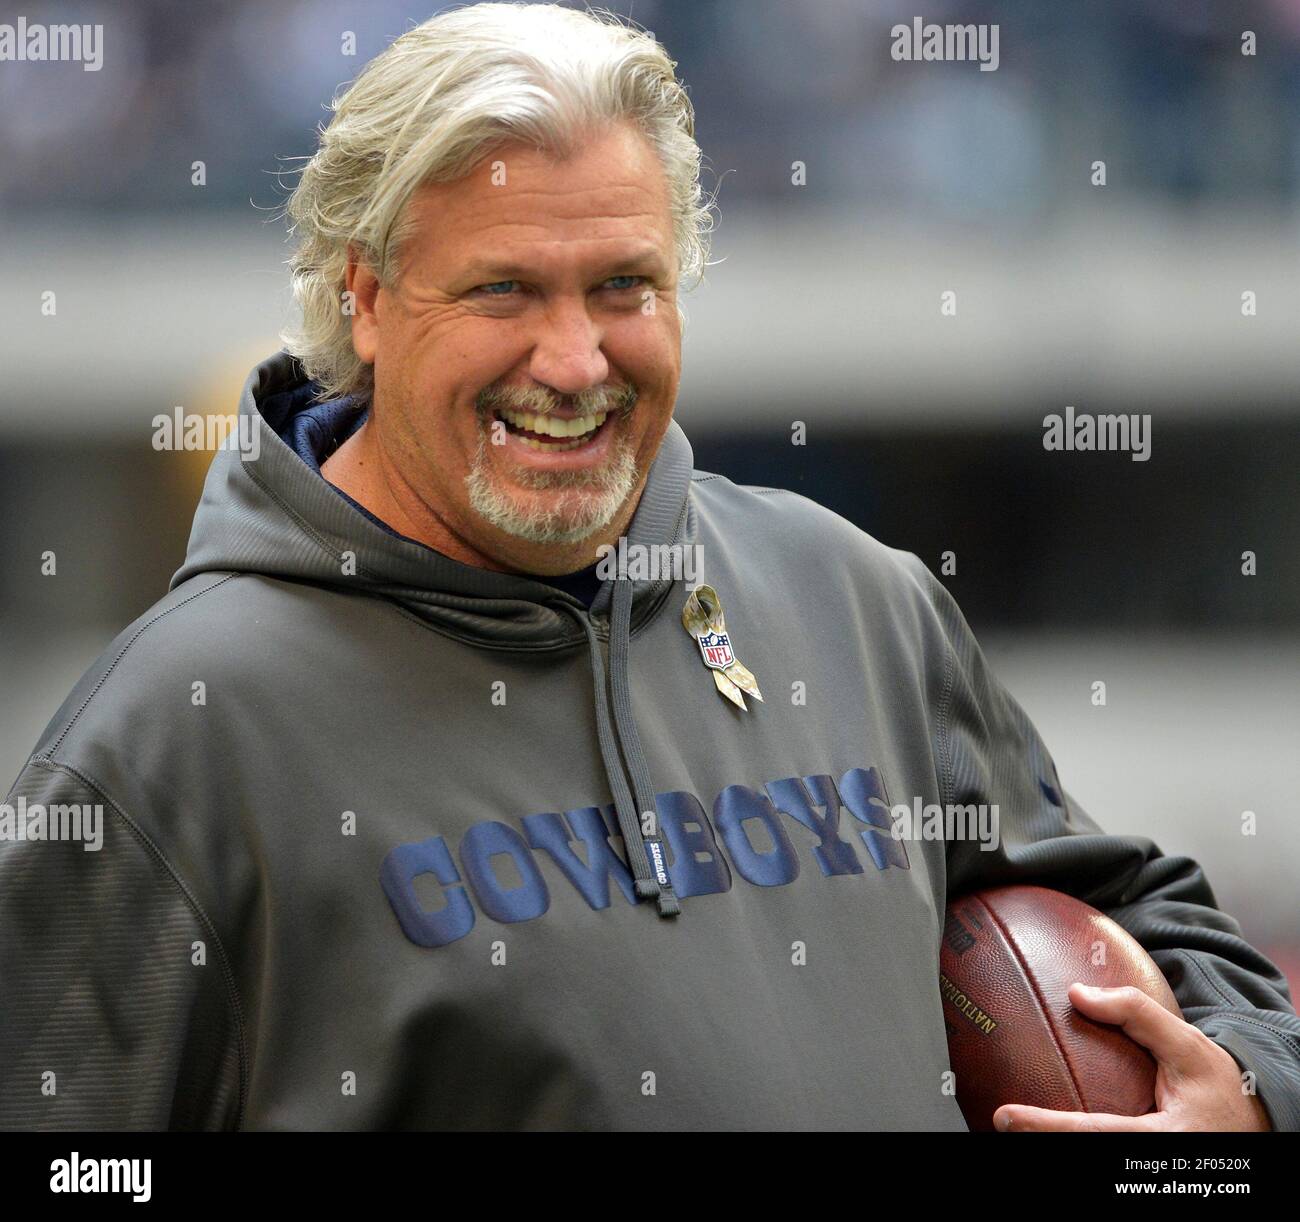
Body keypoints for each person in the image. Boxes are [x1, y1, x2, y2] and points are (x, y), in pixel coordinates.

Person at [2, 2, 1296, 1132]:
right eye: (504, 291)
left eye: (624, 285)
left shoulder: (850, 595)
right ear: (366, 302)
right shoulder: (175, 732)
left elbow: (1144, 908)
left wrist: (1241, 1084)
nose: (573, 361)